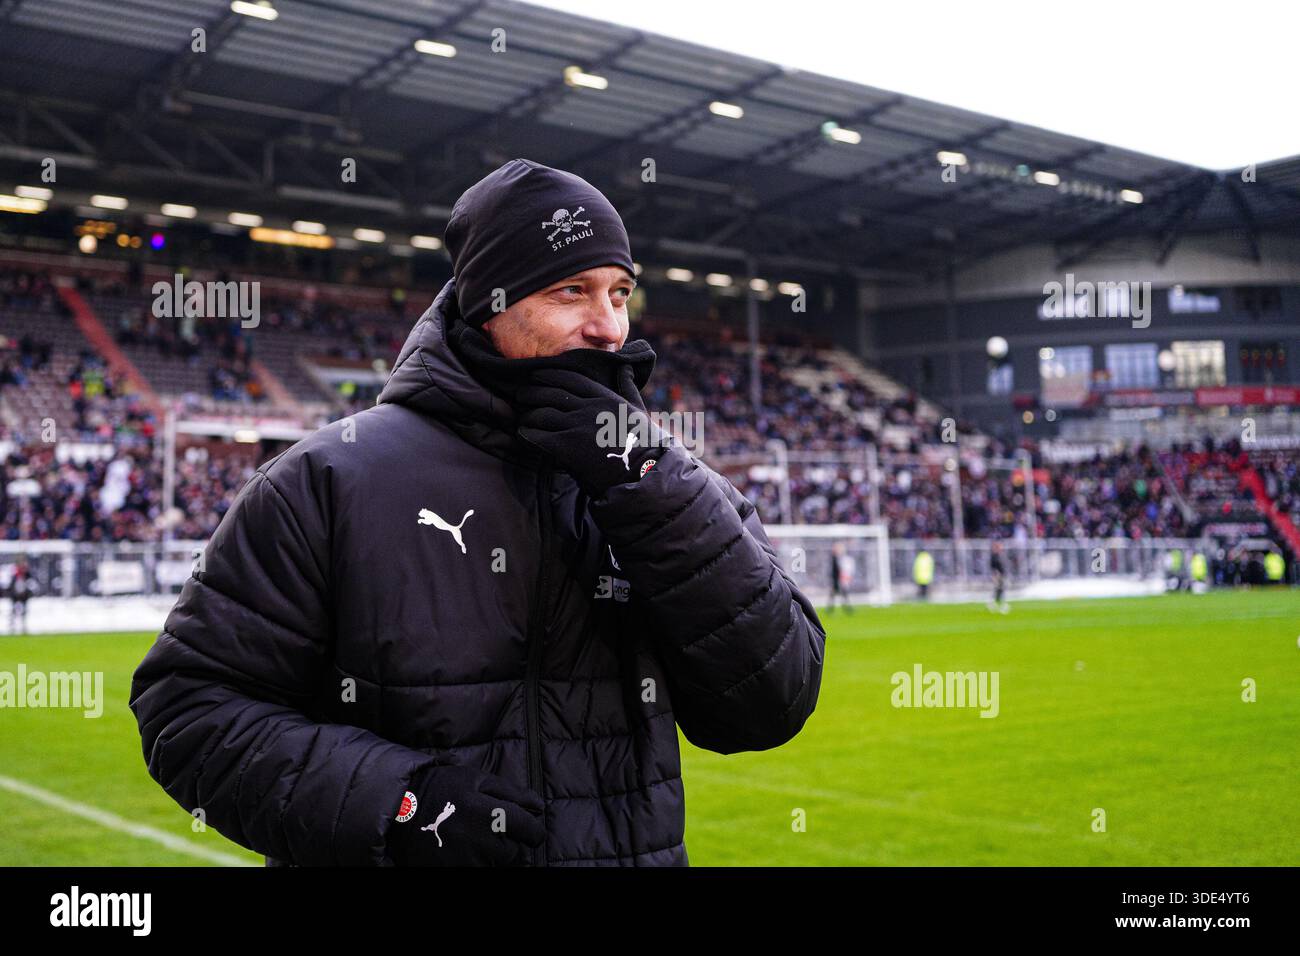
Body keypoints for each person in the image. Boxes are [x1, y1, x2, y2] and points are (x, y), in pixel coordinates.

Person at [129, 158, 827, 868]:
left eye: (620, 294)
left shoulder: (666, 479)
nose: (610, 327)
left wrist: (650, 486)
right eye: (571, 291)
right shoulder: (329, 478)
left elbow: (772, 701)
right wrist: (401, 803)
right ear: (488, 301)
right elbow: (189, 710)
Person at [6, 557, 35, 634]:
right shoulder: (14, 574)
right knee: (13, 611)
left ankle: (23, 626)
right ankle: (12, 625)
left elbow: (31, 583)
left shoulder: (27, 574)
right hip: (15, 595)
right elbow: (11, 585)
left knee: (24, 611)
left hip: (24, 595)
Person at [828, 541, 854, 614]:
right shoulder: (834, 559)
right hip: (836, 580)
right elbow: (834, 571)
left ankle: (846, 608)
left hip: (840, 580)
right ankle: (831, 609)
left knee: (842, 594)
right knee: (835, 594)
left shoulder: (841, 559)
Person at [987, 541, 1009, 614]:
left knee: (1000, 590)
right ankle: (995, 604)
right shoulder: (994, 557)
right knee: (998, 589)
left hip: (1000, 575)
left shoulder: (998, 555)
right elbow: (994, 567)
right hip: (997, 575)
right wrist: (996, 575)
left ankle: (996, 603)